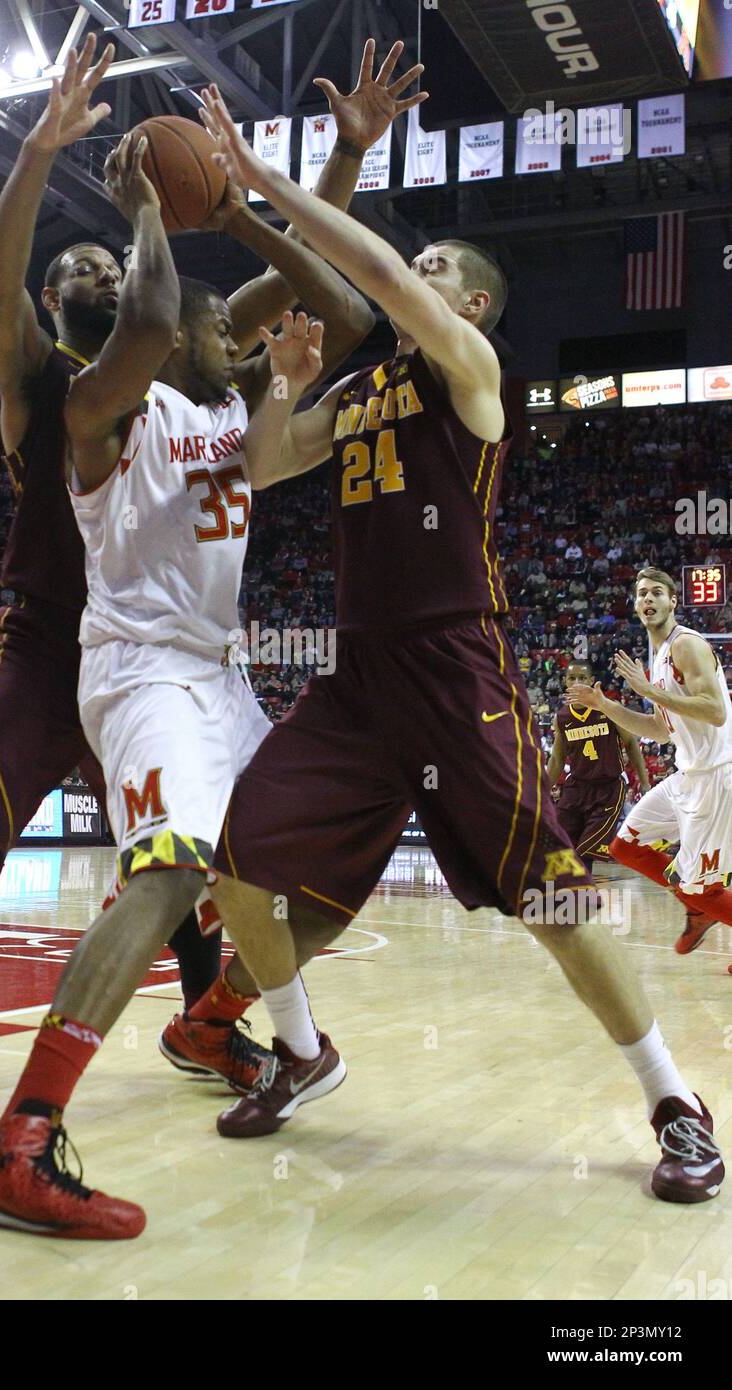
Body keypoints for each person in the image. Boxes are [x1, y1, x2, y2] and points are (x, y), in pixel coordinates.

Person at [0, 33, 414, 1145]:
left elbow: (281, 284)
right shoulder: (47, 385)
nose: (92, 270)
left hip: (166, 652)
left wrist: (338, 166)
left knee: (198, 863)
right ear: (58, 305)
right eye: (74, 271)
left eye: (104, 263)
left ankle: (204, 1024)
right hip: (49, 649)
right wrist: (35, 154)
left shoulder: (180, 372)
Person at [177, 86, 725, 1208]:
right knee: (243, 870)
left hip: (455, 667)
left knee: (553, 901)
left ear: (470, 299)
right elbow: (268, 466)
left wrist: (267, 183)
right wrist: (282, 379)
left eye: (433, 263)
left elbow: (377, 279)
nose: (411, 269)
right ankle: (301, 1049)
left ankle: (676, 1101)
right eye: (413, 258)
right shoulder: (365, 386)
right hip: (357, 679)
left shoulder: (474, 371)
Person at [0, 113, 374, 1236]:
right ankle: (16, 1142)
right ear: (187, 330)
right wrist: (144, 200)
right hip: (137, 675)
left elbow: (317, 293)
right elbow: (150, 315)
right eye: (219, 325)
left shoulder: (232, 402)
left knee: (313, 857)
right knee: (170, 874)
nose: (240, 332)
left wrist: (336, 162)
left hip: (220, 679)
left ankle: (218, 1019)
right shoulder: (98, 409)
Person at [567, 568, 732, 956]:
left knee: (702, 890)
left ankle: (704, 904)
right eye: (642, 594)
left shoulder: (686, 645)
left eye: (657, 592)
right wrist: (606, 706)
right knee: (625, 847)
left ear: (673, 601)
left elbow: (714, 711)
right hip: (688, 774)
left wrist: (643, 689)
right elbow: (660, 730)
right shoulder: (656, 656)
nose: (648, 599)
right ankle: (702, 907)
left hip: (716, 777)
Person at [548, 659, 650, 870]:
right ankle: (563, 890)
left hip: (609, 787)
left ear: (592, 681)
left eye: (582, 678)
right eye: (572, 678)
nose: (577, 682)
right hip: (576, 787)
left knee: (585, 851)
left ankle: (580, 896)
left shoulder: (608, 708)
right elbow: (557, 758)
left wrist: (644, 782)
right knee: (558, 843)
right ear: (565, 681)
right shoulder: (562, 717)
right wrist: (541, 791)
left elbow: (631, 742)